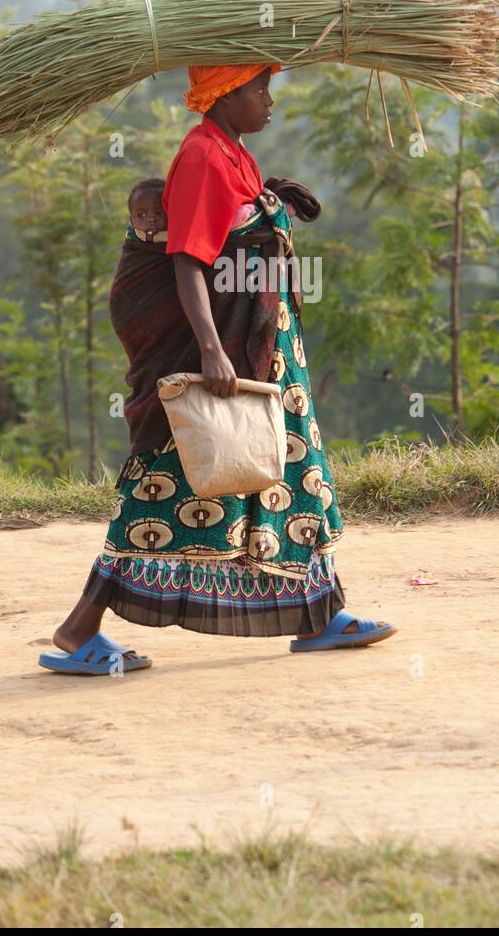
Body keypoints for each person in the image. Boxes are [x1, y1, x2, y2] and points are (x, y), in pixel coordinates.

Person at [39, 62, 396, 674]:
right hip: (231, 358)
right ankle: (79, 629)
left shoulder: (233, 153)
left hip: (268, 354)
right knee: (161, 488)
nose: (270, 101)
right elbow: (187, 261)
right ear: (227, 94)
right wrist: (210, 352)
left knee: (291, 474)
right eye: (261, 89)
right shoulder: (203, 157)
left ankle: (323, 613)